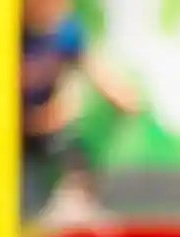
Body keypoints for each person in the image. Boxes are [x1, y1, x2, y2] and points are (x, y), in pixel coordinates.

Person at [23, 0, 139, 224]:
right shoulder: (8, 35)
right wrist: (37, 121)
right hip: (15, 140)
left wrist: (119, 93)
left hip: (49, 135)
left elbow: (93, 67)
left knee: (71, 142)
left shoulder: (65, 31)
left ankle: (77, 202)